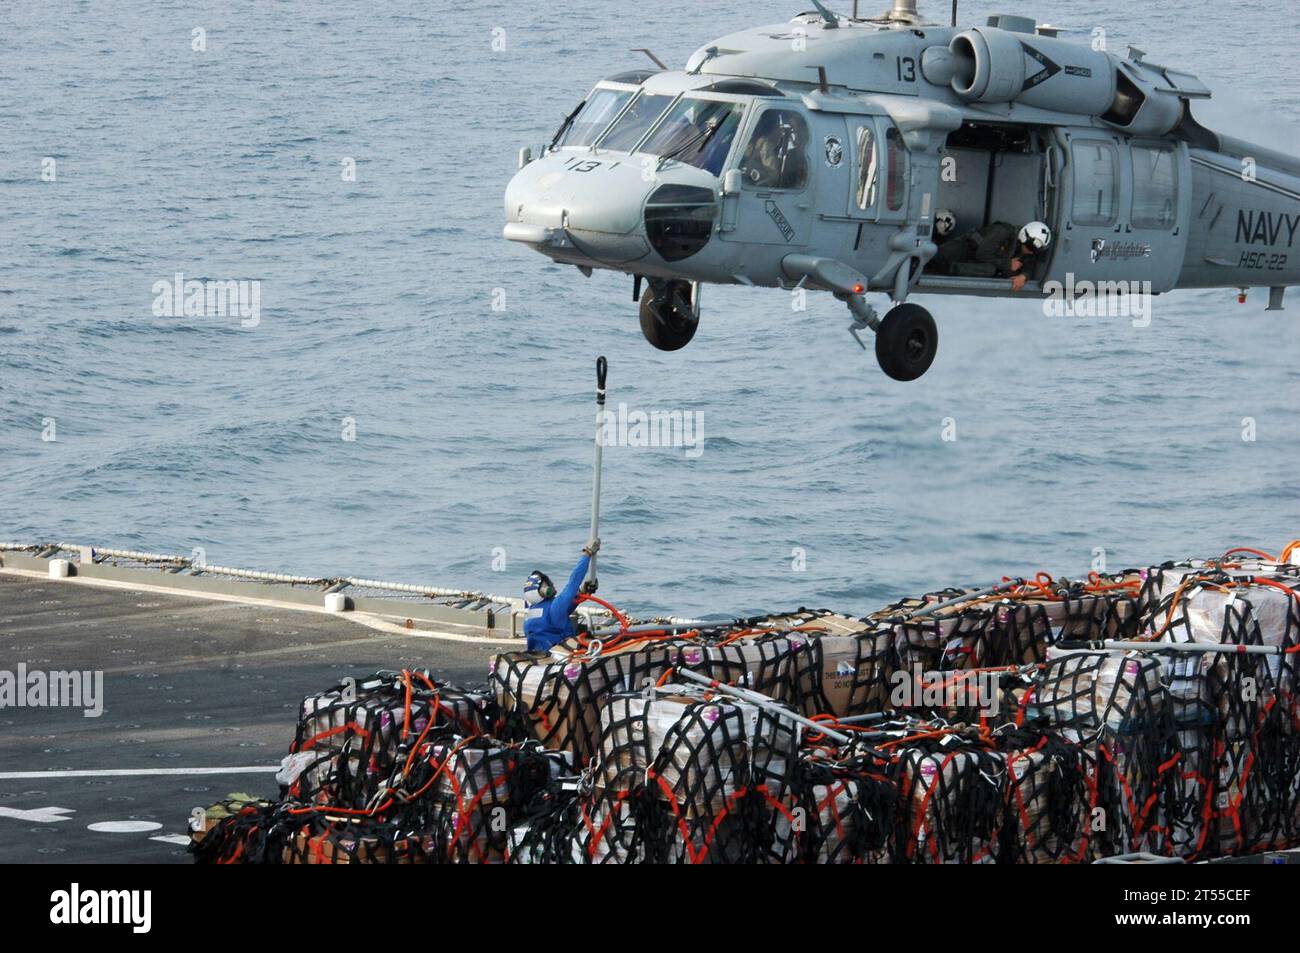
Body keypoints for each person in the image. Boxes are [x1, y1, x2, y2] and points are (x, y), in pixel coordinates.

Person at [523, 539, 600, 652]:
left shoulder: (530, 614)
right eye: (548, 583)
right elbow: (573, 581)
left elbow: (561, 612)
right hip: (564, 654)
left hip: (541, 654)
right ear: (543, 590)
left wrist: (582, 592)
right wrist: (587, 553)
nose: (552, 584)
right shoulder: (555, 607)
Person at [930, 219, 1052, 290]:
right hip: (963, 249)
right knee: (932, 256)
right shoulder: (1003, 232)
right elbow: (982, 253)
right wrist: (1007, 264)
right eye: (1030, 248)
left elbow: (1030, 262)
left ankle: (947, 269)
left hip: (972, 262)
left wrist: (1024, 276)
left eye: (1035, 250)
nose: (1030, 252)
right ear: (1023, 237)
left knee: (990, 270)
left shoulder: (1026, 249)